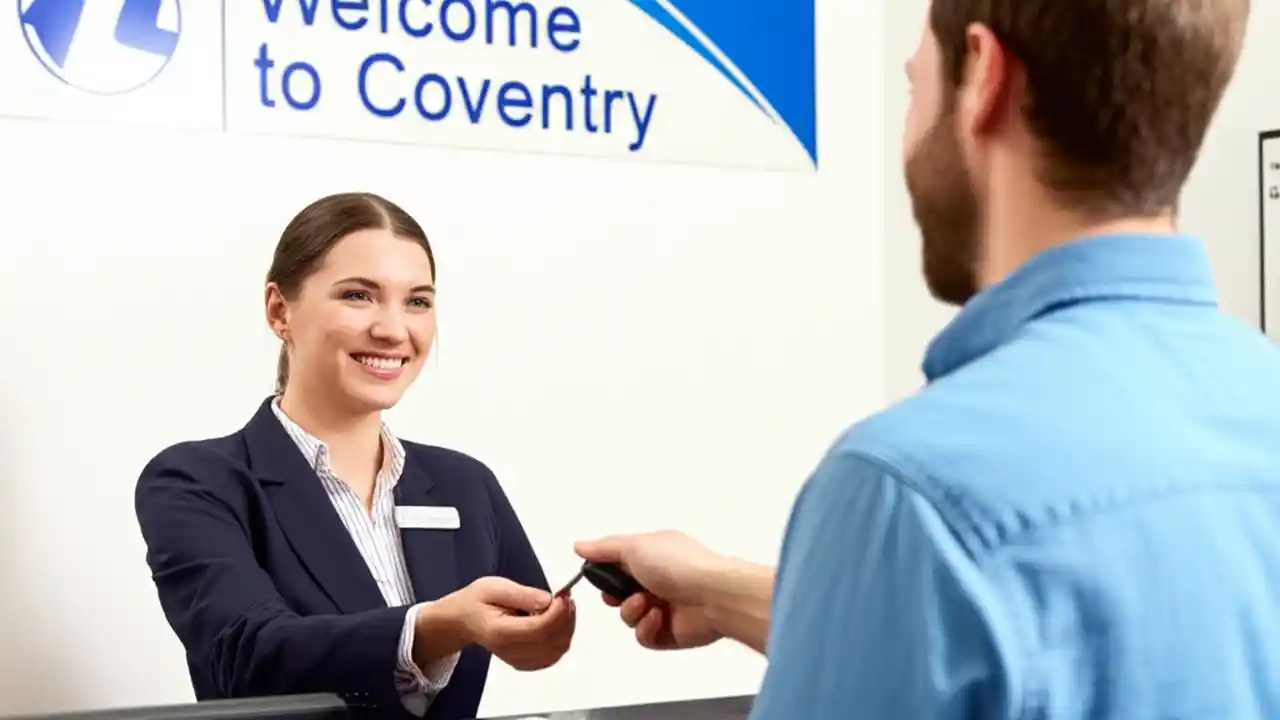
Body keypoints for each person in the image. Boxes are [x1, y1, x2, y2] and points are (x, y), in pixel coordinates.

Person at [577, 1, 1280, 717]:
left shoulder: (909, 489)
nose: (908, 134)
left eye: (915, 88)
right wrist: (728, 592)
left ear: (983, 76)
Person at [135, 192, 574, 720]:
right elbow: (247, 656)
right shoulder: (197, 482)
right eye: (359, 296)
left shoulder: (465, 484)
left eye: (417, 301)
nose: (393, 329)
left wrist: (544, 633)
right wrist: (437, 626)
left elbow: (527, 636)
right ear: (280, 310)